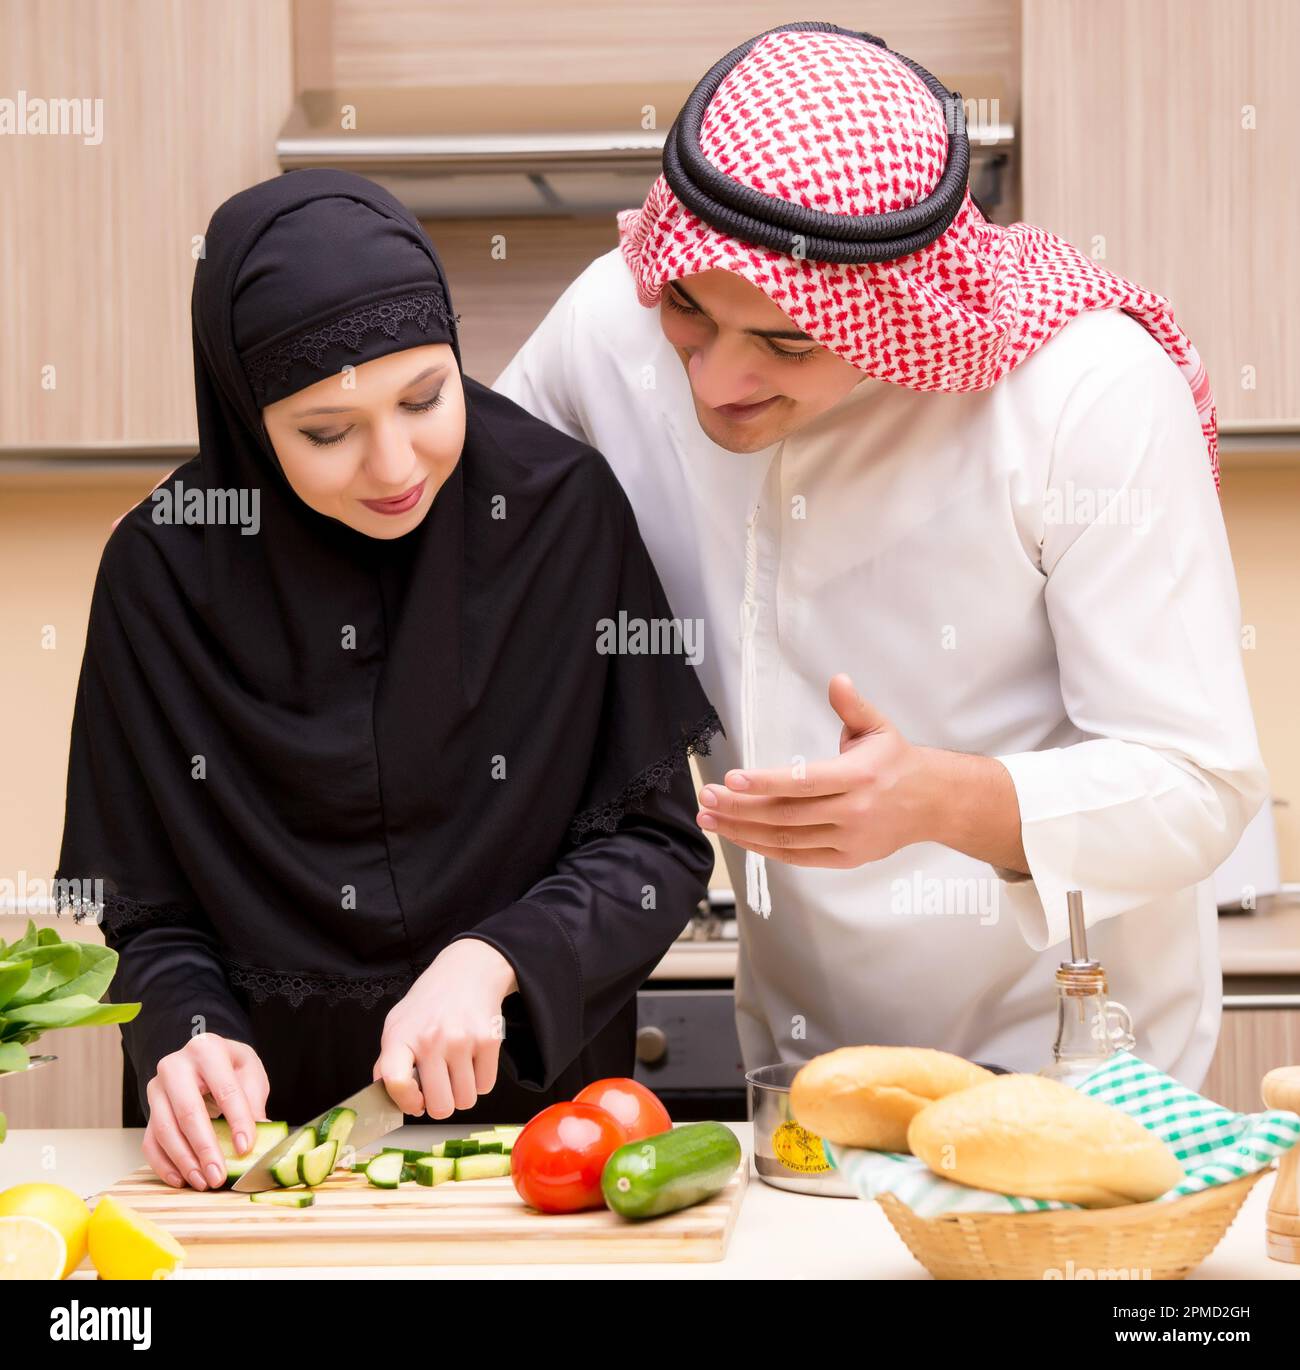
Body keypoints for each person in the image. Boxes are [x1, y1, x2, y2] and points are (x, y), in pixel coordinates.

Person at [492, 22, 1268, 1087]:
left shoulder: (1085, 395)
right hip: (808, 1068)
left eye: (786, 342)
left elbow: (1196, 781)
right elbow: (462, 543)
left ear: (894, 311)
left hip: (1074, 1071)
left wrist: (932, 798)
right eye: (689, 310)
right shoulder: (608, 331)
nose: (715, 381)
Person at [54, 168, 720, 1191]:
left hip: (544, 1152)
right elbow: (147, 910)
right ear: (244, 416)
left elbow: (653, 843)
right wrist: (186, 1036)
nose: (395, 463)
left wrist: (495, 957)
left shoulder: (562, 514)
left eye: (425, 396)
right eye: (326, 432)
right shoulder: (162, 572)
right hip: (253, 1154)